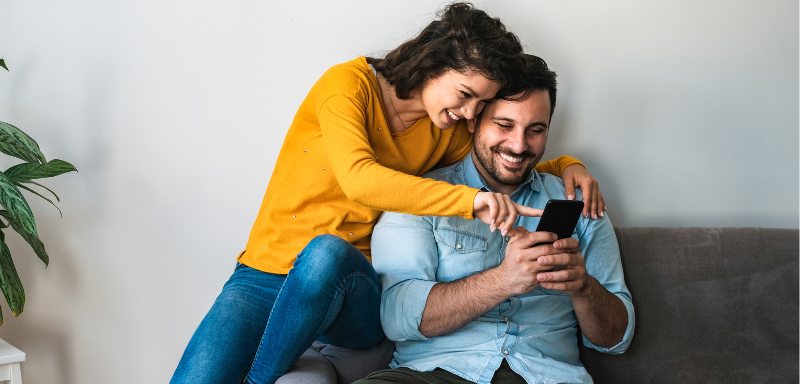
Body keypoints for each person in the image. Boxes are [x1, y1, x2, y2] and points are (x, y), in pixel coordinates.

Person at [171, 4, 607, 384]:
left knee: (327, 254)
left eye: (482, 103)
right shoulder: (348, 86)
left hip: (350, 286)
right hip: (266, 273)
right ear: (434, 65)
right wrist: (468, 202)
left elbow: (505, 158)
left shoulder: (448, 129)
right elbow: (361, 178)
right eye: (466, 95)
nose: (470, 113)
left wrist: (569, 165)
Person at [361, 54, 634, 384]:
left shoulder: (580, 202)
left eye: (535, 130)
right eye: (504, 125)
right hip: (434, 373)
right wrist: (504, 280)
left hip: (547, 376)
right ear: (474, 120)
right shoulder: (420, 196)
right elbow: (397, 317)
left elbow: (616, 341)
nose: (518, 145)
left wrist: (583, 288)